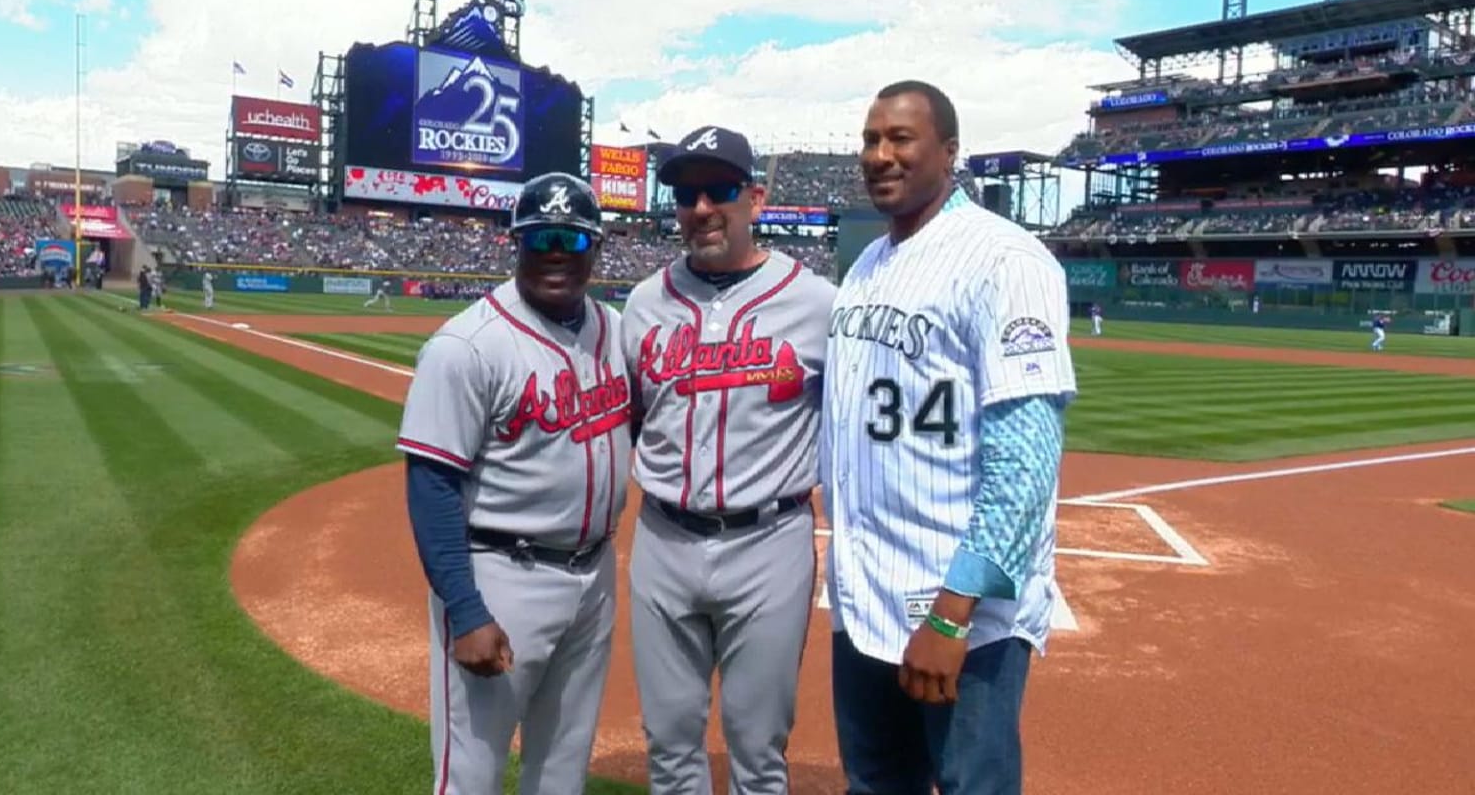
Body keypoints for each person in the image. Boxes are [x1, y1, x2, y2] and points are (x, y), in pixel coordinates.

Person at [819, 80, 1078, 795]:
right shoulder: (869, 266)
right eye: (871, 139)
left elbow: (1026, 465)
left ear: (949, 152)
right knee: (875, 783)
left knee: (972, 785)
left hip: (959, 616)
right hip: (866, 597)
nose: (880, 155)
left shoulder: (1006, 261)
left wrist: (952, 613)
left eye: (900, 139)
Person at [396, 172, 630, 795]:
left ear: (596, 248)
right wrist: (466, 610)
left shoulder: (615, 330)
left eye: (573, 240)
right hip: (501, 576)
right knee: (470, 777)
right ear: (515, 243)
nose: (557, 252)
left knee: (561, 772)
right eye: (541, 237)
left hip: (594, 577)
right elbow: (432, 486)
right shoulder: (466, 347)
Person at [622, 125, 837, 793]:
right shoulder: (643, 303)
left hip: (769, 541)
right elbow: (628, 420)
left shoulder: (816, 304)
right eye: (687, 194)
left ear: (756, 197)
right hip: (663, 538)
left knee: (757, 746)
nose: (702, 207)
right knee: (670, 741)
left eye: (719, 189)